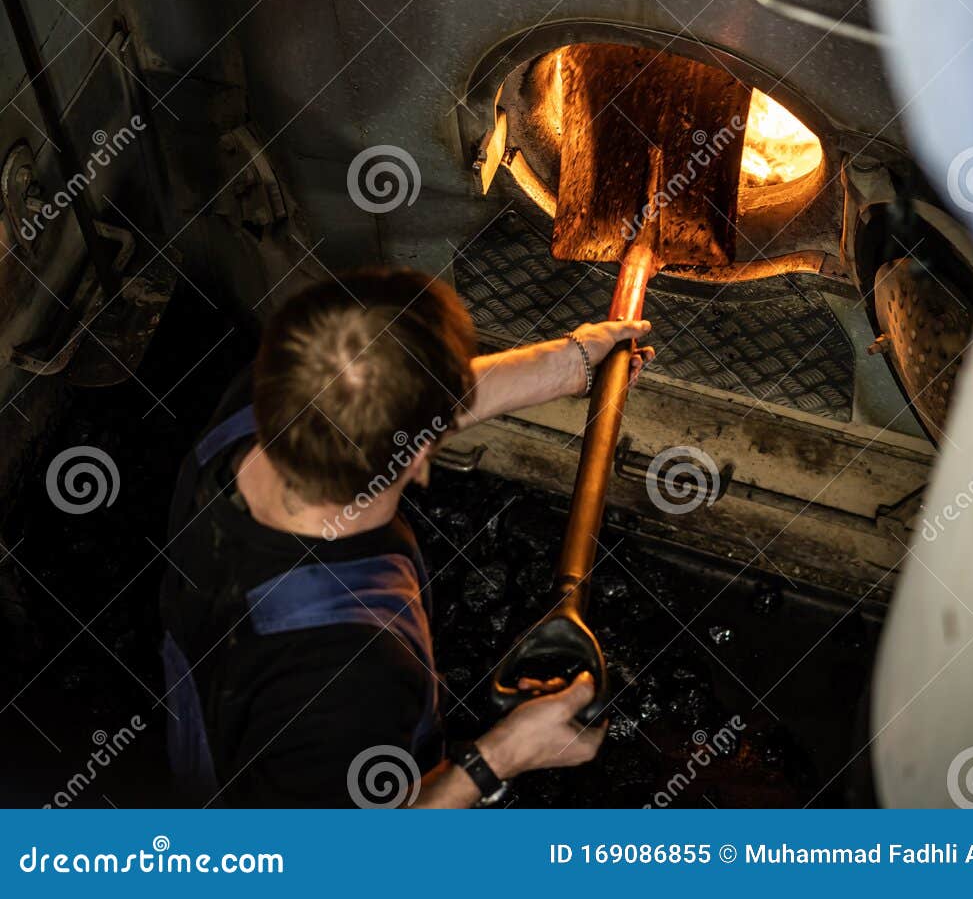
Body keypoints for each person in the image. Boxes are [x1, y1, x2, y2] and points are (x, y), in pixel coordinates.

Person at [160, 267, 652, 807]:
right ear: (417, 457)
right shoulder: (349, 681)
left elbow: (380, 401)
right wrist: (499, 757)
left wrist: (567, 363)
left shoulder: (261, 403)